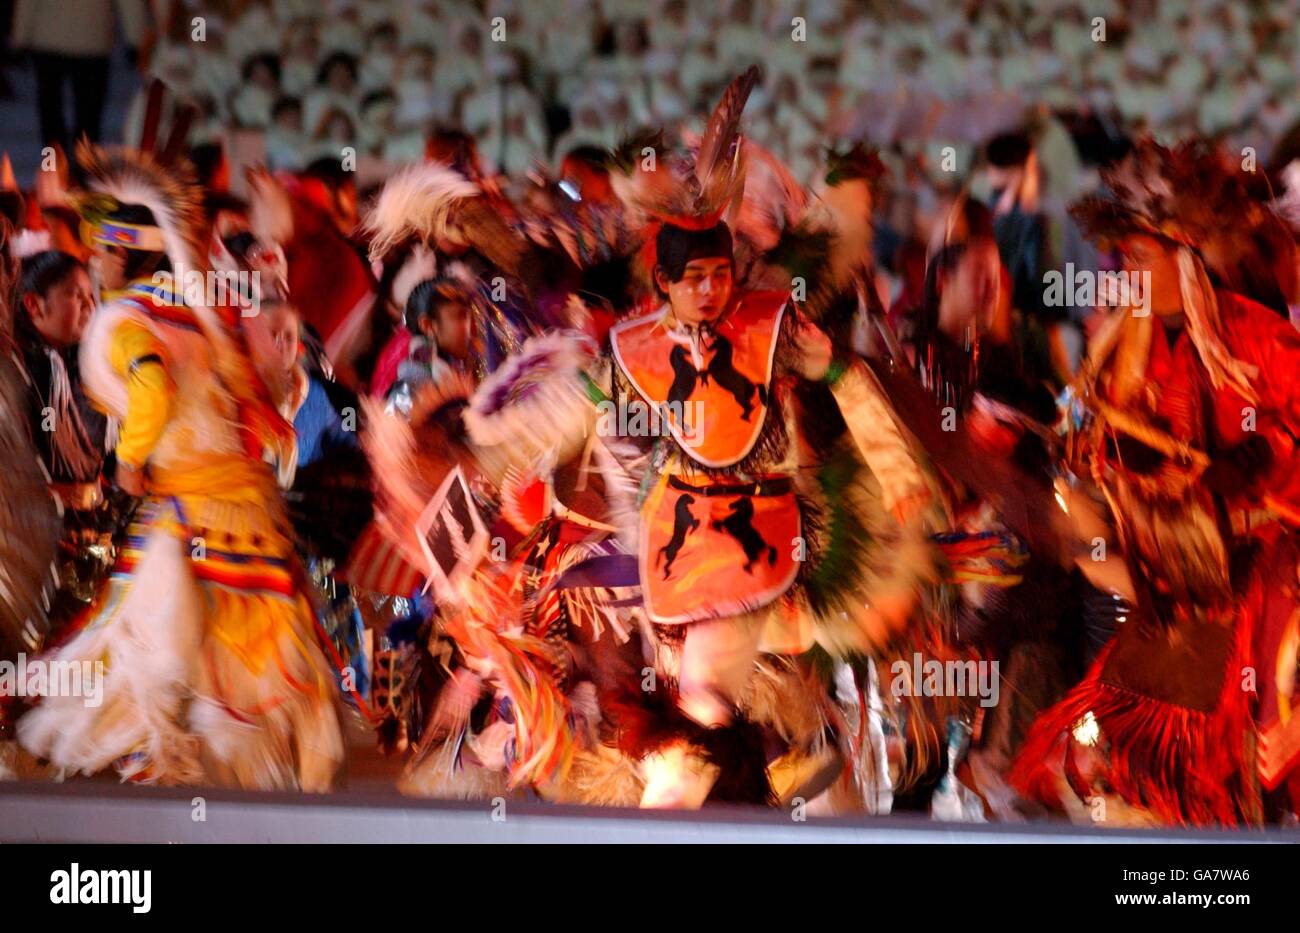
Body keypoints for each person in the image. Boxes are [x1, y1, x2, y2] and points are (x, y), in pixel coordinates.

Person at [17, 143, 344, 789]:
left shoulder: (126, 316)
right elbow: (264, 394)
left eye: (103, 252)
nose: (96, 264)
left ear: (125, 253)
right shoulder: (208, 307)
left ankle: (171, 777)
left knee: (156, 653)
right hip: (251, 515)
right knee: (234, 656)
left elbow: (152, 382)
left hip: (188, 510)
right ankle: (223, 783)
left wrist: (132, 460)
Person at [1012, 140, 1300, 826]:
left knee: (1248, 757)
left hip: (1260, 584)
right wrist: (1094, 476)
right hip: (1169, 596)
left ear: (1190, 252)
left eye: (1143, 259)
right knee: (1096, 761)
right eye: (1127, 260)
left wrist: (1260, 462)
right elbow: (1102, 470)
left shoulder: (1257, 339)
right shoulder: (1121, 356)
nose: (1129, 275)